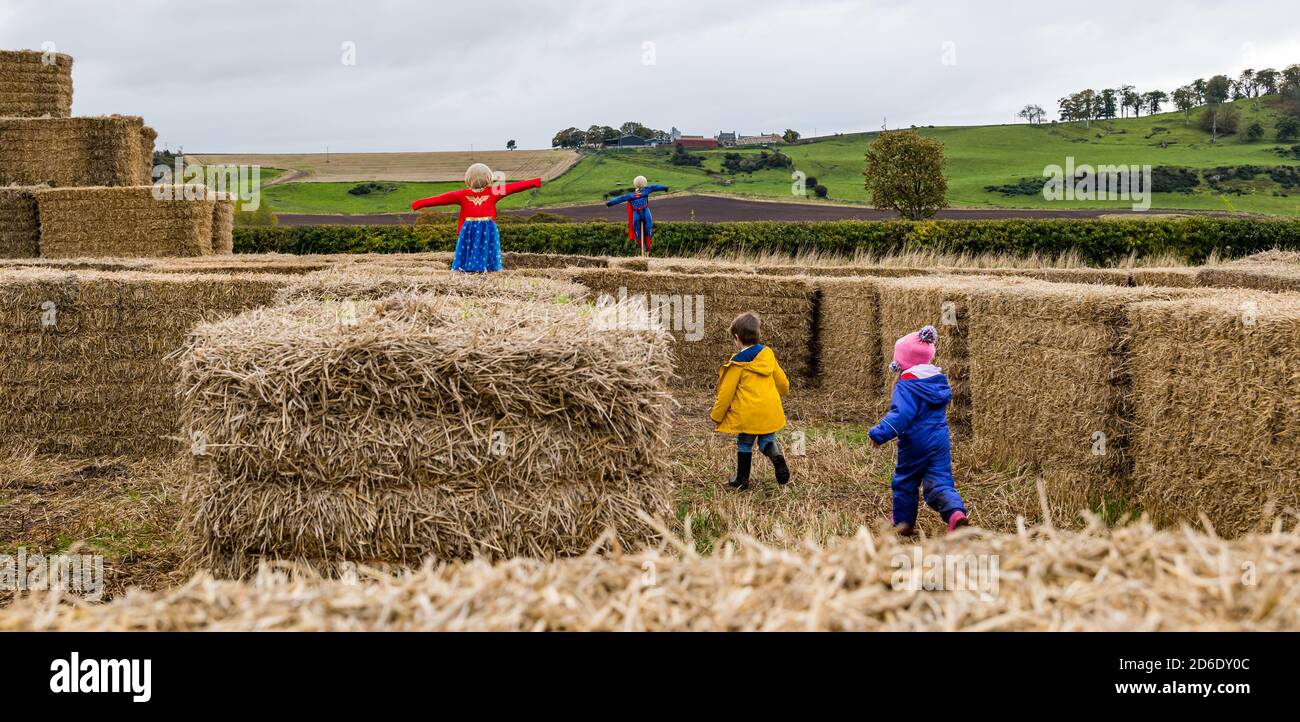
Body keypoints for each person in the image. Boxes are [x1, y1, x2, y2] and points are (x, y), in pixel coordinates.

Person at [868, 325, 969, 534]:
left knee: (905, 479)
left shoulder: (908, 385)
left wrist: (879, 433)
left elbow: (902, 415)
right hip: (940, 439)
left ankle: (903, 524)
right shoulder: (937, 381)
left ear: (903, 361)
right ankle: (955, 514)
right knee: (940, 480)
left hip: (916, 440)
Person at [709, 312, 791, 490]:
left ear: (737, 338)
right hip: (769, 410)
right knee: (767, 439)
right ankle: (775, 454)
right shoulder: (767, 354)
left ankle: (741, 480)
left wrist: (717, 415)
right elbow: (782, 382)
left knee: (745, 443)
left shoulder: (737, 363)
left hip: (748, 414)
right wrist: (783, 392)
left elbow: (726, 393)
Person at [410, 163, 541, 272]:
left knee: (467, 248)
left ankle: (466, 269)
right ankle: (487, 268)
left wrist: (418, 204)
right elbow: (515, 187)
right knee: (487, 247)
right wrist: (535, 182)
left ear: (468, 178)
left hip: (468, 228)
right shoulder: (494, 191)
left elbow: (440, 199)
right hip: (487, 228)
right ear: (489, 178)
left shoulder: (462, 194)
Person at [605, 175, 668, 256]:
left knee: (646, 229)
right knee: (639, 230)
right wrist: (610, 203)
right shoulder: (638, 193)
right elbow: (654, 187)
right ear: (644, 183)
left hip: (642, 212)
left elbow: (620, 198)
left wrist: (609, 203)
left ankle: (647, 250)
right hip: (640, 212)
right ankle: (644, 249)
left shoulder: (636, 193)